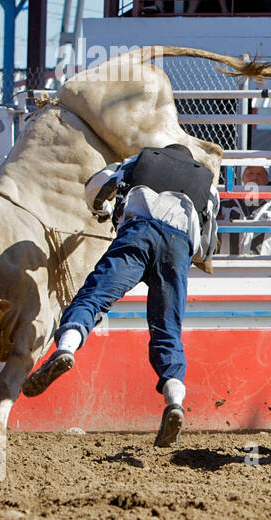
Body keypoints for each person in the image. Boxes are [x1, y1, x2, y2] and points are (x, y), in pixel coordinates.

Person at [21, 144, 219, 448]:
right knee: (167, 330)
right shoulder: (206, 181)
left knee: (93, 297)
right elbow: (207, 242)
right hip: (178, 247)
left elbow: (98, 183)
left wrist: (100, 210)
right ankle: (174, 402)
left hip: (137, 232)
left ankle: (65, 351)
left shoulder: (144, 158)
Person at [219, 165, 271, 256]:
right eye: (250, 173)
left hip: (263, 267)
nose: (254, 177)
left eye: (259, 174)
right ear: (242, 177)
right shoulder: (223, 206)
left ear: (266, 179)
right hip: (226, 266)